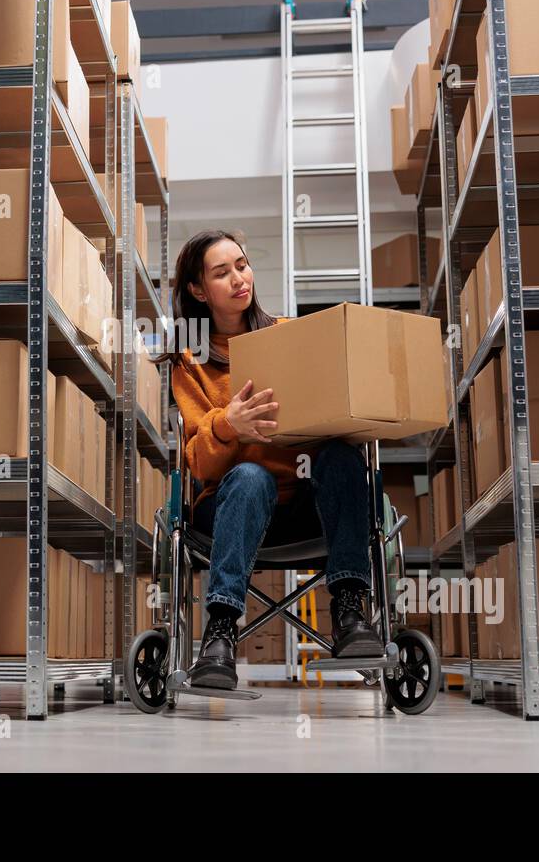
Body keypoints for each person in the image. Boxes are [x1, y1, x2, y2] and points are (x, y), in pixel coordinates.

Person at [159, 229, 381, 691]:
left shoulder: (290, 337)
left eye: (242, 264)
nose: (240, 278)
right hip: (229, 505)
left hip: (306, 505)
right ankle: (220, 632)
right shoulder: (188, 362)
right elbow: (197, 464)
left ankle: (349, 611)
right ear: (199, 290)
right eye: (222, 272)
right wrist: (227, 426)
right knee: (250, 475)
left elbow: (332, 419)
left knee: (342, 456)